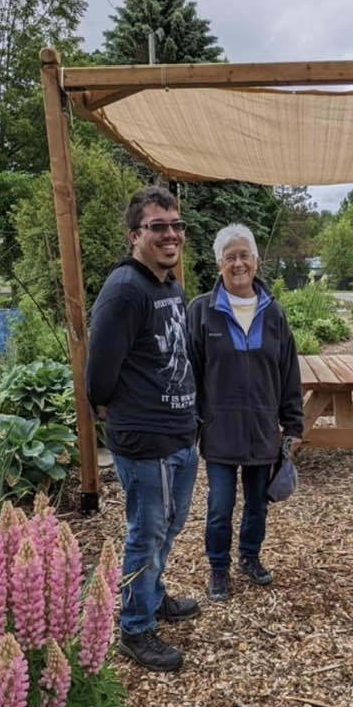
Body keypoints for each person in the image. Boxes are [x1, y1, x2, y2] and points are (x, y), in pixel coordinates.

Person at [86, 186, 199, 673]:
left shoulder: (168, 284)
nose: (171, 234)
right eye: (158, 227)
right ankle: (134, 627)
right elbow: (98, 378)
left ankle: (151, 597)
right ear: (135, 235)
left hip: (179, 432)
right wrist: (117, 411)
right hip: (145, 439)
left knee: (168, 526)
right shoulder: (124, 290)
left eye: (176, 225)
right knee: (145, 533)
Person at [187, 223, 304, 602]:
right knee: (220, 506)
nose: (238, 263)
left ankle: (250, 557)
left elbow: (289, 372)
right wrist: (192, 424)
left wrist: (294, 424)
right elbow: (190, 373)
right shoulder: (201, 311)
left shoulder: (275, 314)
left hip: (262, 430)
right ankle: (218, 569)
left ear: (256, 260)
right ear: (219, 263)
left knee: (257, 504)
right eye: (230, 256)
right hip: (220, 431)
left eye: (244, 255)